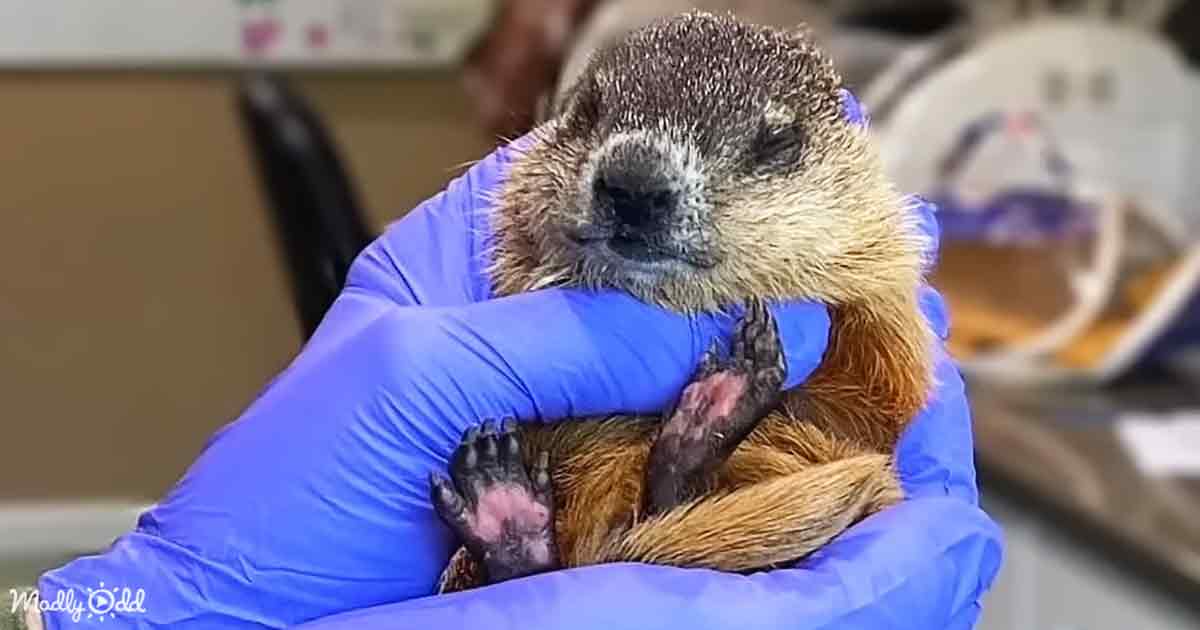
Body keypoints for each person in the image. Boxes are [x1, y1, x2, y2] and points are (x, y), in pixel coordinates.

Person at [28, 91, 1002, 630]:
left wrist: (99, 615)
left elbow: (868, 420)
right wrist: (142, 605)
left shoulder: (841, 247)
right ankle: (554, 552)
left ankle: (590, 534)